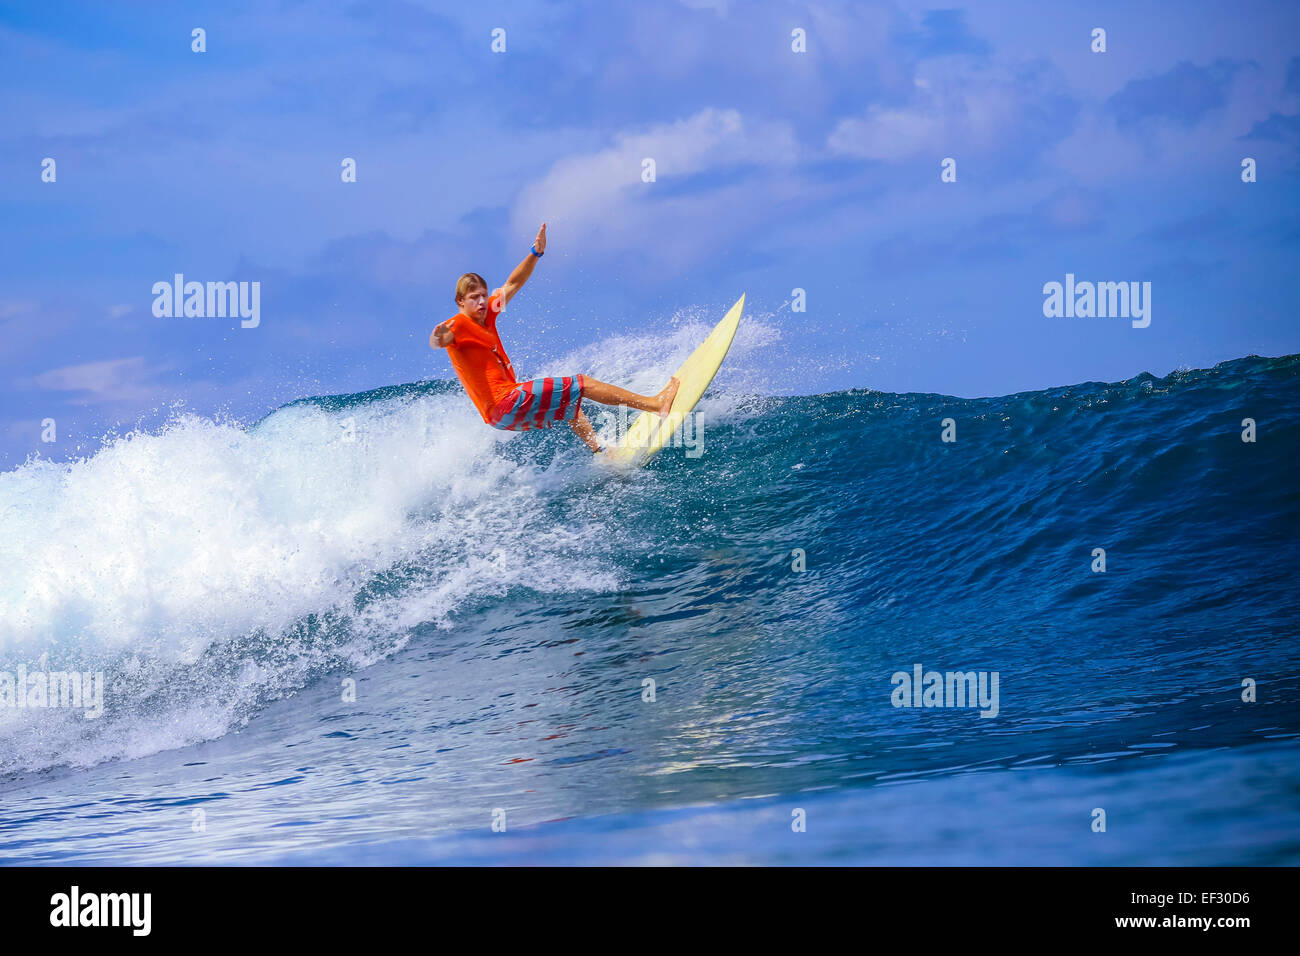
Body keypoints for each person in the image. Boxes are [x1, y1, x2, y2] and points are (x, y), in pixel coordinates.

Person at [430, 223, 678, 453]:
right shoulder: (458, 324)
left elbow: (512, 284)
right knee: (582, 383)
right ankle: (656, 404)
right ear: (461, 301)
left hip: (499, 418)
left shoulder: (488, 314)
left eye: (483, 295)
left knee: (569, 405)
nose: (482, 301)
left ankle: (602, 453)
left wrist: (535, 253)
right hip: (506, 402)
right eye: (474, 298)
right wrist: (439, 337)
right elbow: (441, 340)